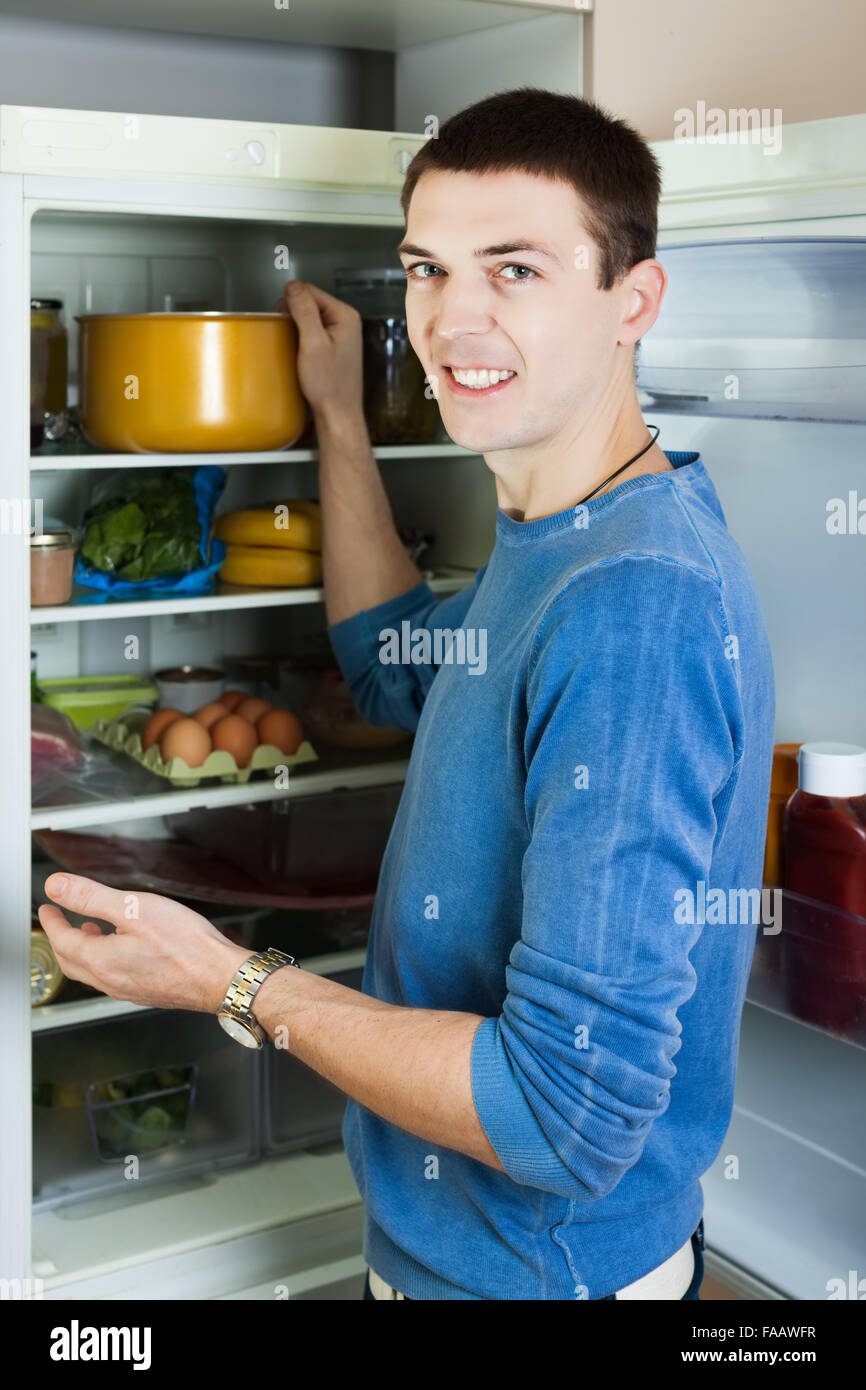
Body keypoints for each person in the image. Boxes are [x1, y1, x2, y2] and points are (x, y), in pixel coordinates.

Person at [40, 88, 775, 1301]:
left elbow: (564, 1116)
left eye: (515, 269)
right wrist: (337, 409)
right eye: (426, 270)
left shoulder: (635, 602)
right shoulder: (560, 539)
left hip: (533, 1280)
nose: (452, 317)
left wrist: (227, 980)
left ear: (631, 302)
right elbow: (391, 657)